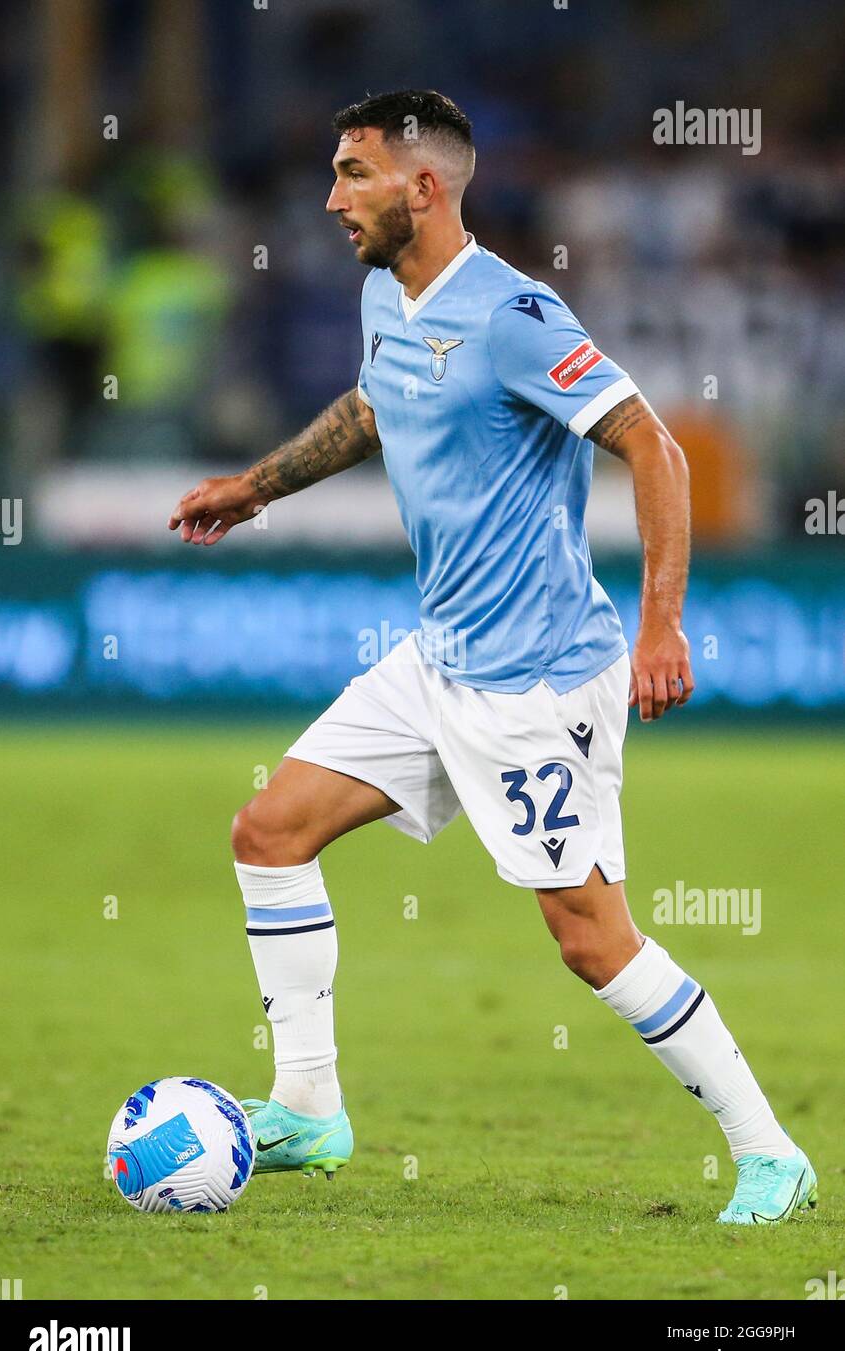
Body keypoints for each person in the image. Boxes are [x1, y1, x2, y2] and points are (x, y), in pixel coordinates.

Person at [169, 90, 815, 1224]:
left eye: (352, 174)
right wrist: (252, 489)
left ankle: (768, 1150)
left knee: (589, 941)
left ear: (422, 186)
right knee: (268, 830)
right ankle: (311, 1105)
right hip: (438, 660)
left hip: (537, 682)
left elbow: (652, 447)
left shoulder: (514, 313)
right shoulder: (385, 294)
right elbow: (375, 409)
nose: (330, 198)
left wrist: (659, 625)